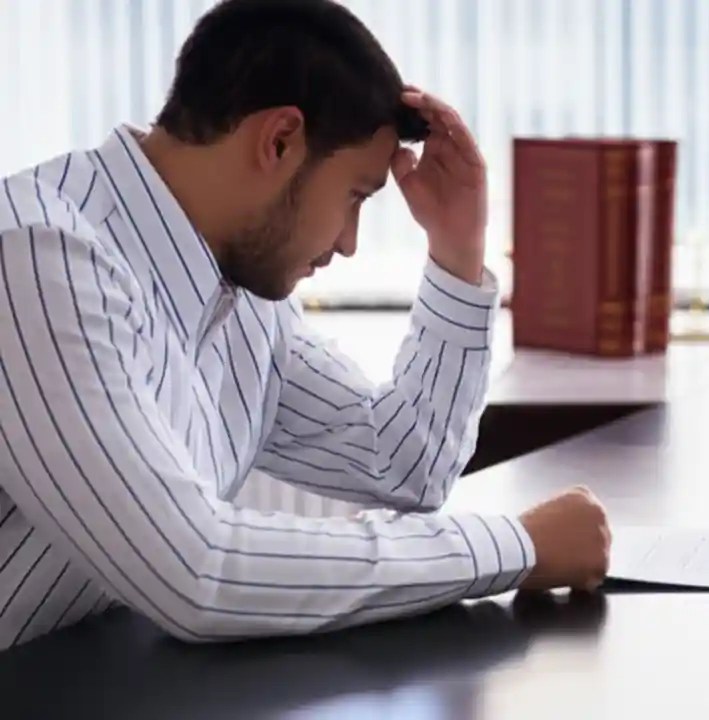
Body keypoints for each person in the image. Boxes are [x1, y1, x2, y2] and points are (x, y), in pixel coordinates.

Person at [0, 0, 609, 651]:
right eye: (356, 195)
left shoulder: (238, 294)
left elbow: (406, 466)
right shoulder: (36, 258)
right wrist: (515, 547)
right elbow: (197, 569)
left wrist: (458, 254)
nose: (349, 242)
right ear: (279, 140)